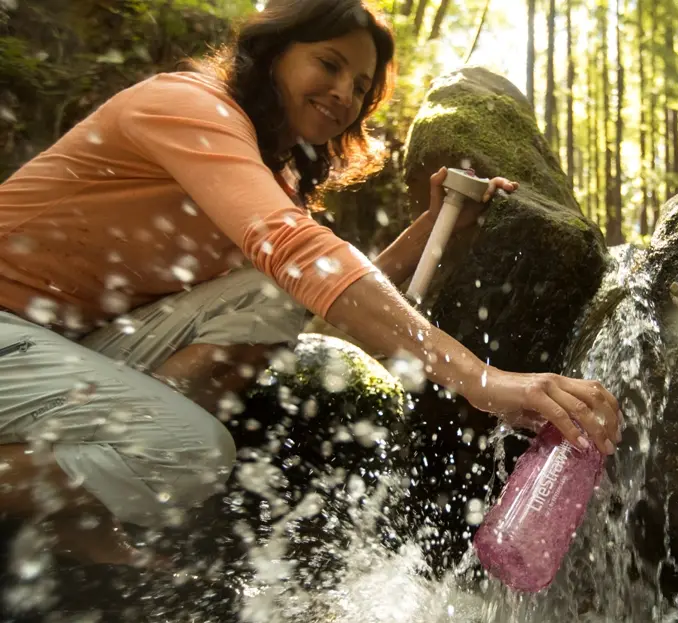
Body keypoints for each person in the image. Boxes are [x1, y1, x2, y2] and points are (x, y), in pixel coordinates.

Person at [0, 0, 621, 565]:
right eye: (329, 64)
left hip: (69, 345)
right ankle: (109, 473)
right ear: (272, 50)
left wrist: (437, 230)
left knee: (270, 298)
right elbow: (294, 249)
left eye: (360, 86)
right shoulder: (184, 105)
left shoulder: (276, 174)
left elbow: (318, 290)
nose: (344, 94)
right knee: (191, 454)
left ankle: (93, 476)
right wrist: (482, 381)